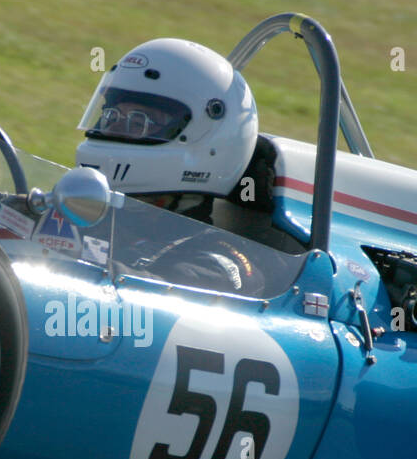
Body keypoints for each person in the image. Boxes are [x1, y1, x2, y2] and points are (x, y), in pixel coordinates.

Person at [75, 38, 299, 295]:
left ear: (204, 143)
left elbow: (151, 295)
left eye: (138, 123)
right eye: (110, 117)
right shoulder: (84, 217)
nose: (112, 129)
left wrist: (61, 260)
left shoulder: (220, 265)